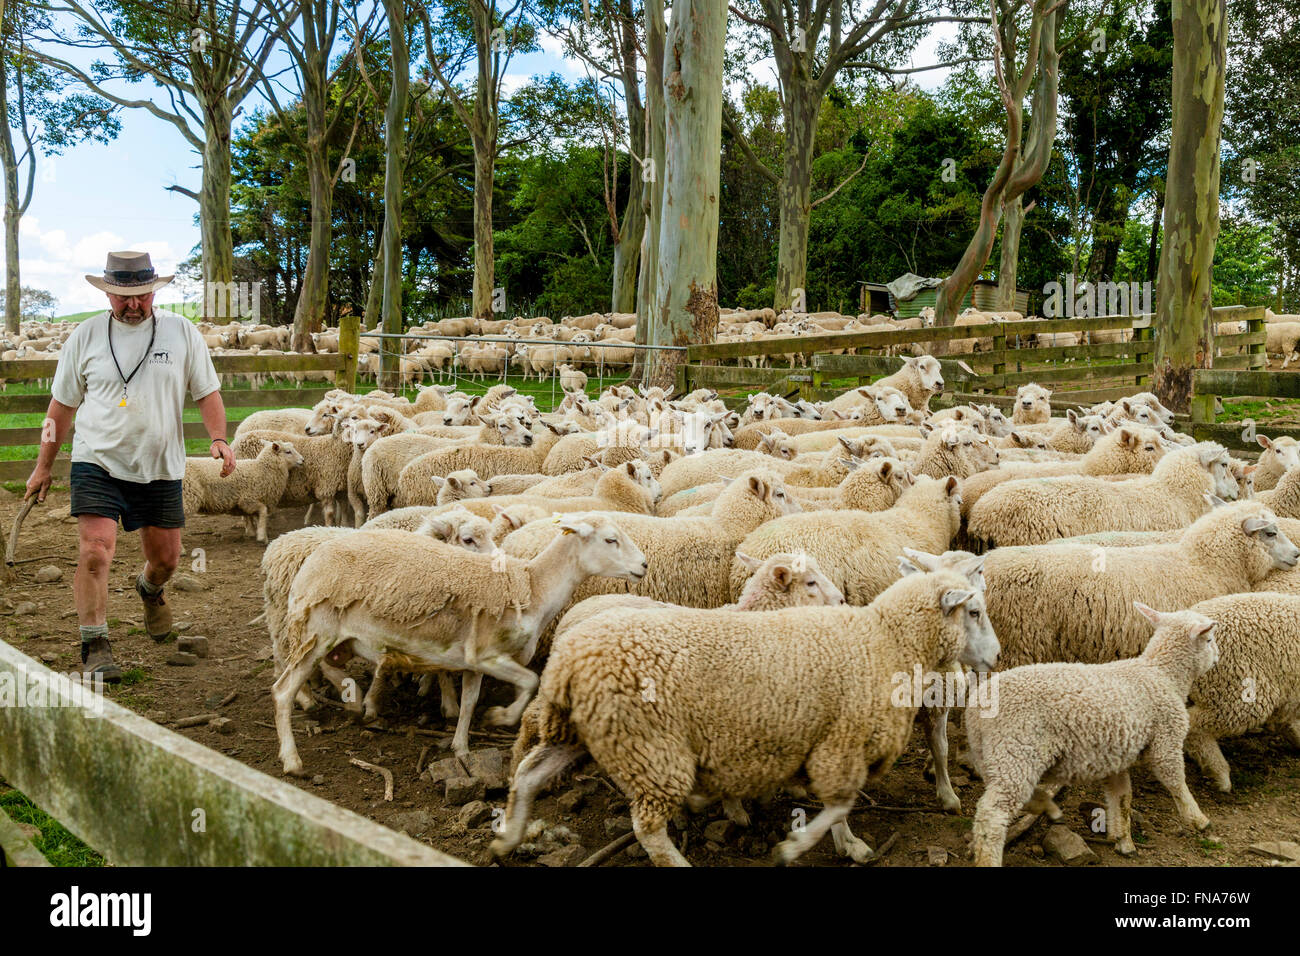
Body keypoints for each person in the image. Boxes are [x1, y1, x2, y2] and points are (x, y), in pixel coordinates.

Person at [24, 251, 236, 682]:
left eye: (141, 295)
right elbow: (60, 408)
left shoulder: (181, 333)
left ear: (153, 291)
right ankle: (95, 644)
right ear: (107, 294)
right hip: (96, 461)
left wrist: (218, 437)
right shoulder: (84, 337)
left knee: (167, 560)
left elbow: (207, 392)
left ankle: (150, 590)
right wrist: (42, 466)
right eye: (123, 297)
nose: (134, 305)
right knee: (95, 550)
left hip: (159, 465)